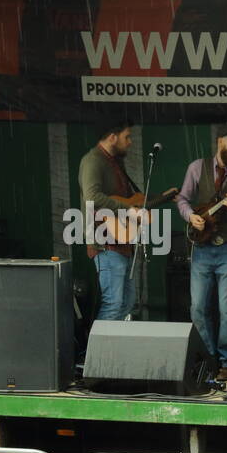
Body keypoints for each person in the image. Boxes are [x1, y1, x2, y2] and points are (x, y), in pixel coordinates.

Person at [178, 124, 227, 382]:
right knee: (198, 307)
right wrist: (192, 218)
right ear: (220, 141)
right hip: (202, 248)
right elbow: (182, 199)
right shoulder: (195, 167)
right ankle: (207, 358)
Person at [78, 117, 146, 321]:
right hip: (104, 241)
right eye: (127, 137)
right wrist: (128, 208)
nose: (130, 141)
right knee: (114, 303)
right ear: (112, 137)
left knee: (126, 302)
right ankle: (98, 353)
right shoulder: (93, 160)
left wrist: (166, 197)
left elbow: (127, 199)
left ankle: (114, 350)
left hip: (121, 240)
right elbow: (92, 197)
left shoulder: (114, 162)